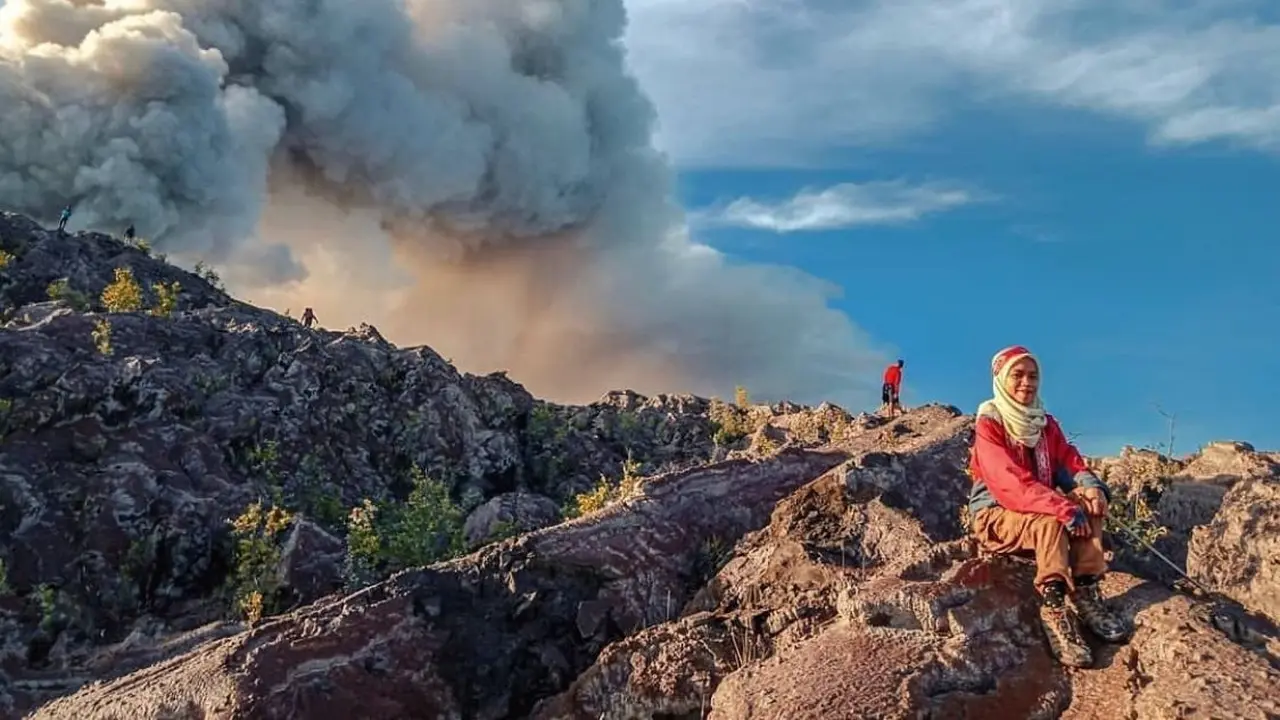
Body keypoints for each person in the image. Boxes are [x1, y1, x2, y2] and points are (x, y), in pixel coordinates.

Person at [966, 345, 1129, 668]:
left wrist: (1091, 487)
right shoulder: (990, 424)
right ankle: (1053, 607)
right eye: (1017, 375)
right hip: (996, 516)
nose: (1027, 382)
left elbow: (1069, 462)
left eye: (1033, 375)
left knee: (1088, 503)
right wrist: (1059, 506)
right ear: (1000, 379)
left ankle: (1084, 591)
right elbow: (1007, 482)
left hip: (1037, 507)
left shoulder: (1045, 424)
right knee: (1050, 520)